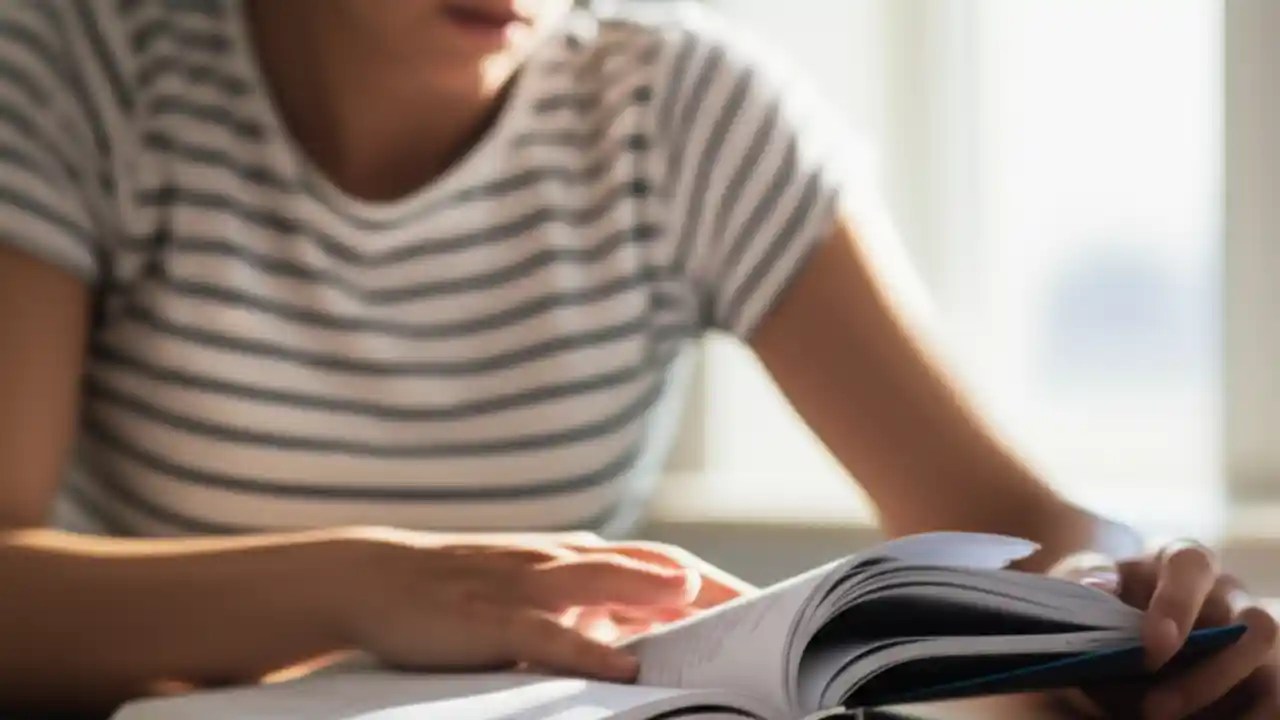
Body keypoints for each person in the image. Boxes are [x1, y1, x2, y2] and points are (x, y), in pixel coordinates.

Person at [0, 0, 1273, 717]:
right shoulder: (80, 68)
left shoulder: (682, 113)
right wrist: (377, 587)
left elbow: (1011, 521)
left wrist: (1127, 613)